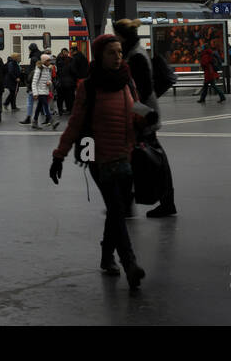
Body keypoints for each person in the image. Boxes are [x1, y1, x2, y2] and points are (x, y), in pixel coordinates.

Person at [49, 34, 153, 290]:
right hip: (98, 156)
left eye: (119, 52)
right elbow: (74, 123)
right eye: (111, 53)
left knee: (116, 209)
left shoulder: (127, 80)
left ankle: (107, 255)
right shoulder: (89, 86)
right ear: (99, 55)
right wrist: (58, 156)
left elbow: (135, 107)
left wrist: (146, 117)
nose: (118, 57)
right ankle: (129, 263)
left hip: (125, 153)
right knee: (117, 208)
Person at [115, 18, 177, 218]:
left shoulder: (135, 57)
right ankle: (135, 202)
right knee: (146, 157)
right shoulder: (136, 53)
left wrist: (139, 115)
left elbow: (140, 90)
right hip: (143, 112)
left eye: (116, 35)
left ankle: (134, 203)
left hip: (142, 114)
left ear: (122, 36)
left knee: (148, 158)